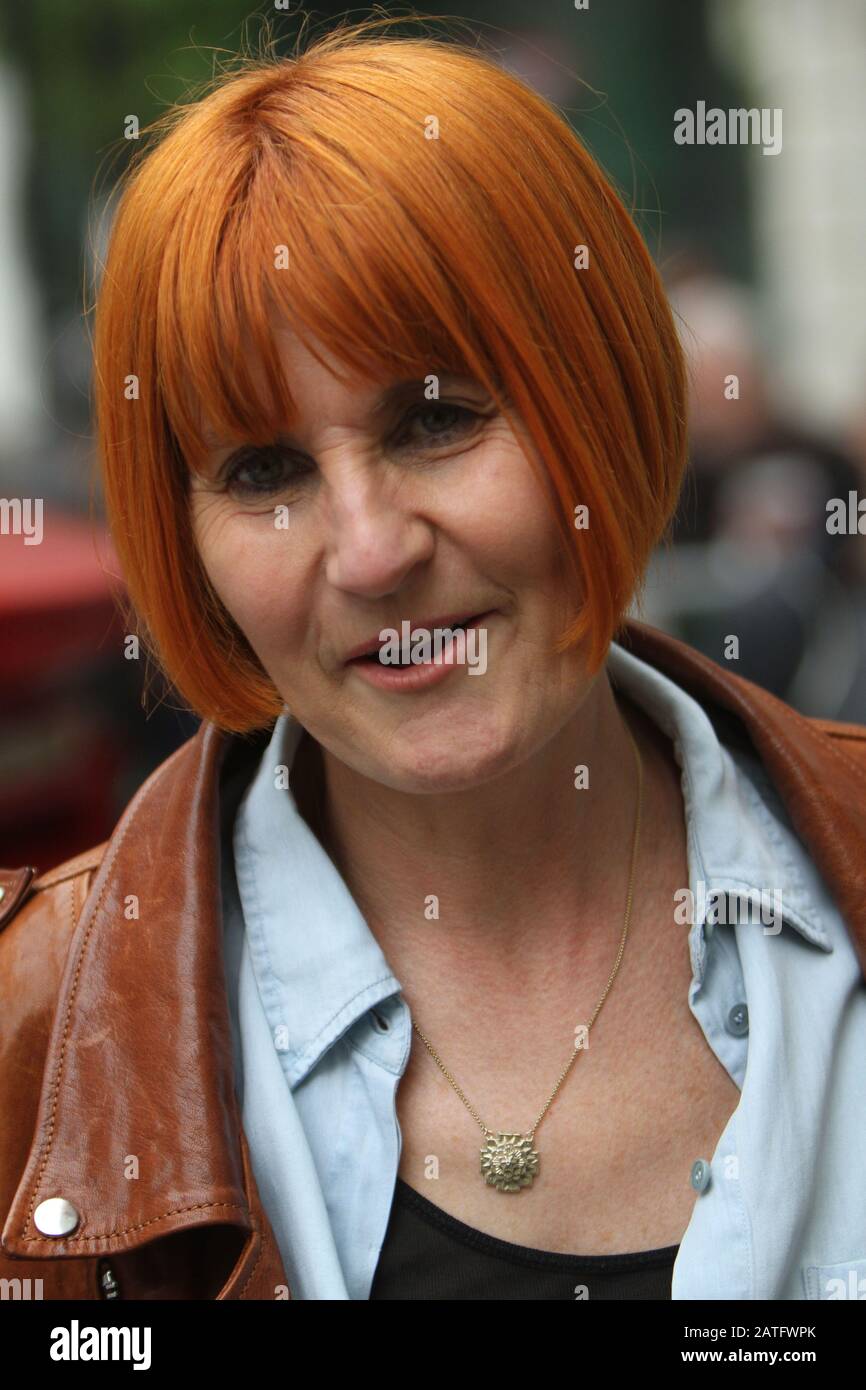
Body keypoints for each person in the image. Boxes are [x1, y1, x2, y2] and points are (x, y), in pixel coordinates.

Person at [2, 17, 866, 1303]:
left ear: (604, 393)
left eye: (435, 418)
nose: (367, 551)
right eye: (264, 470)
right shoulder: (33, 1031)